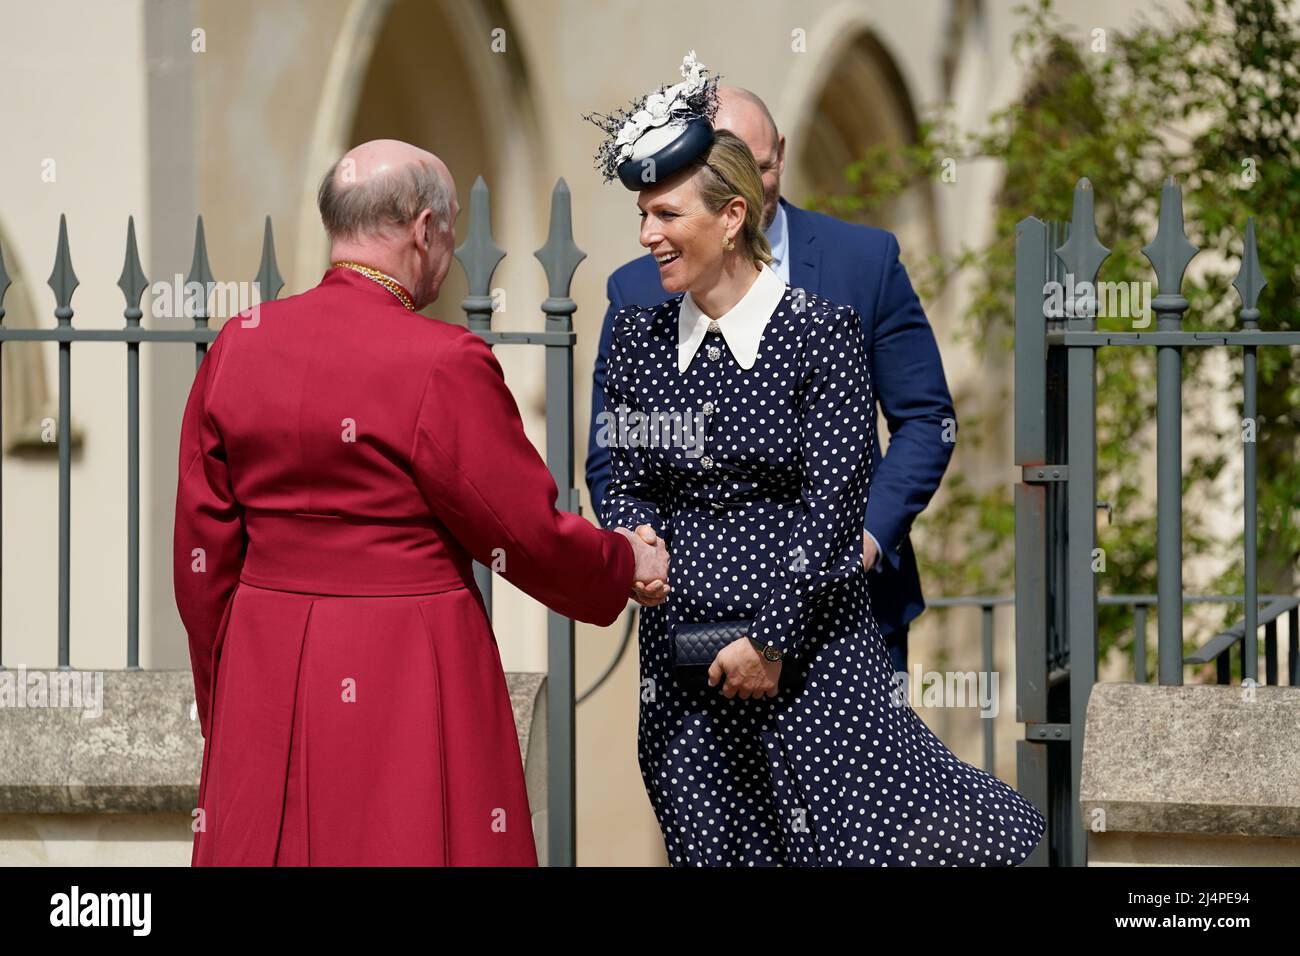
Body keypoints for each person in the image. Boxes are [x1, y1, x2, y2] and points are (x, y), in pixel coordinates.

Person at [583, 52, 1045, 865]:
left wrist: (782, 625)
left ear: (734, 212)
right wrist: (634, 544)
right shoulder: (634, 321)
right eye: (642, 216)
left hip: (819, 642)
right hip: (685, 661)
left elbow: (856, 474)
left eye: (667, 213)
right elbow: (615, 468)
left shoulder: (827, 318)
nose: (649, 234)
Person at [173, 139, 668, 866]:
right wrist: (622, 560)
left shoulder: (237, 346)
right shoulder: (444, 360)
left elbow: (201, 559)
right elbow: (522, 531)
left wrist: (233, 700)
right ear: (422, 227)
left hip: (264, 657)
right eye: (451, 231)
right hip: (406, 663)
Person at [586, 83, 958, 676]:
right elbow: (614, 457)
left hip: (848, 610)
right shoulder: (637, 292)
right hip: (696, 622)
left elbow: (925, 421)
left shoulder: (861, 263)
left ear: (779, 154)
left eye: (757, 168)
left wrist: (861, 541)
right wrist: (639, 545)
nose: (746, 186)